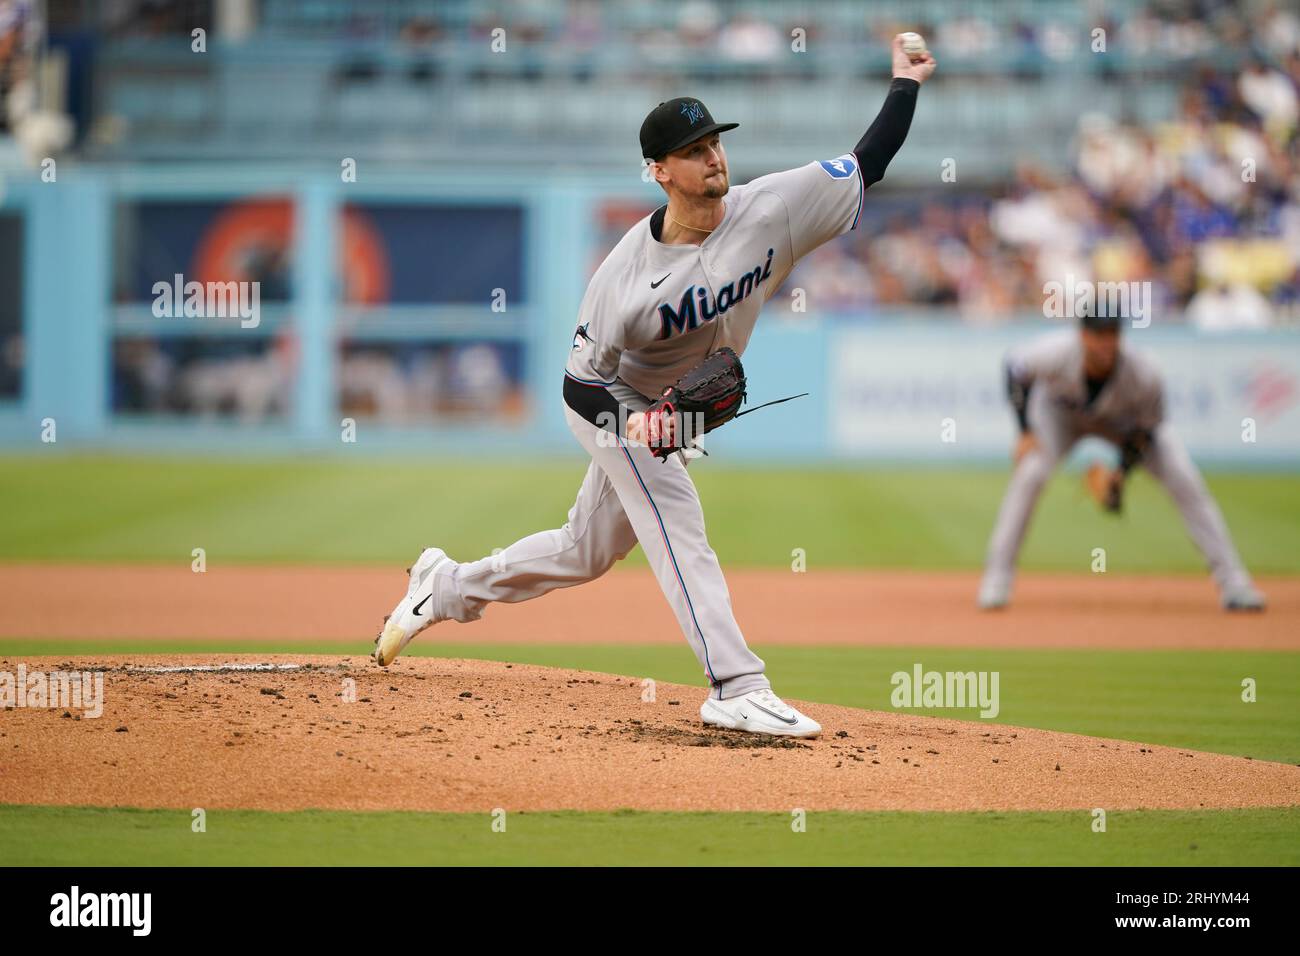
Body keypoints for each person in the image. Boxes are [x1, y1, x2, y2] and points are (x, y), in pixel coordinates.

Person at [372, 36, 937, 737]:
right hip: (616, 403)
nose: (714, 158)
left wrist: (904, 81)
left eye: (716, 143)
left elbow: (869, 163)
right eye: (696, 150)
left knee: (587, 550)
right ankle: (735, 684)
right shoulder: (623, 280)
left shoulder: (774, 208)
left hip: (681, 406)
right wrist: (630, 425)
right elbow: (578, 384)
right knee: (676, 519)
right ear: (660, 170)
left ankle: (446, 586)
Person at [978, 309, 1266, 612]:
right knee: (1030, 473)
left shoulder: (1144, 372)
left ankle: (1234, 584)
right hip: (1059, 415)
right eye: (1098, 334)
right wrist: (1025, 430)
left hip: (1124, 423)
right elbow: (1014, 368)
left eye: (1112, 334)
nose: (1105, 342)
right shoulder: (1055, 351)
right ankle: (997, 579)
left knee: (1184, 477)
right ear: (1083, 335)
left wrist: (1121, 472)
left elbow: (1146, 430)